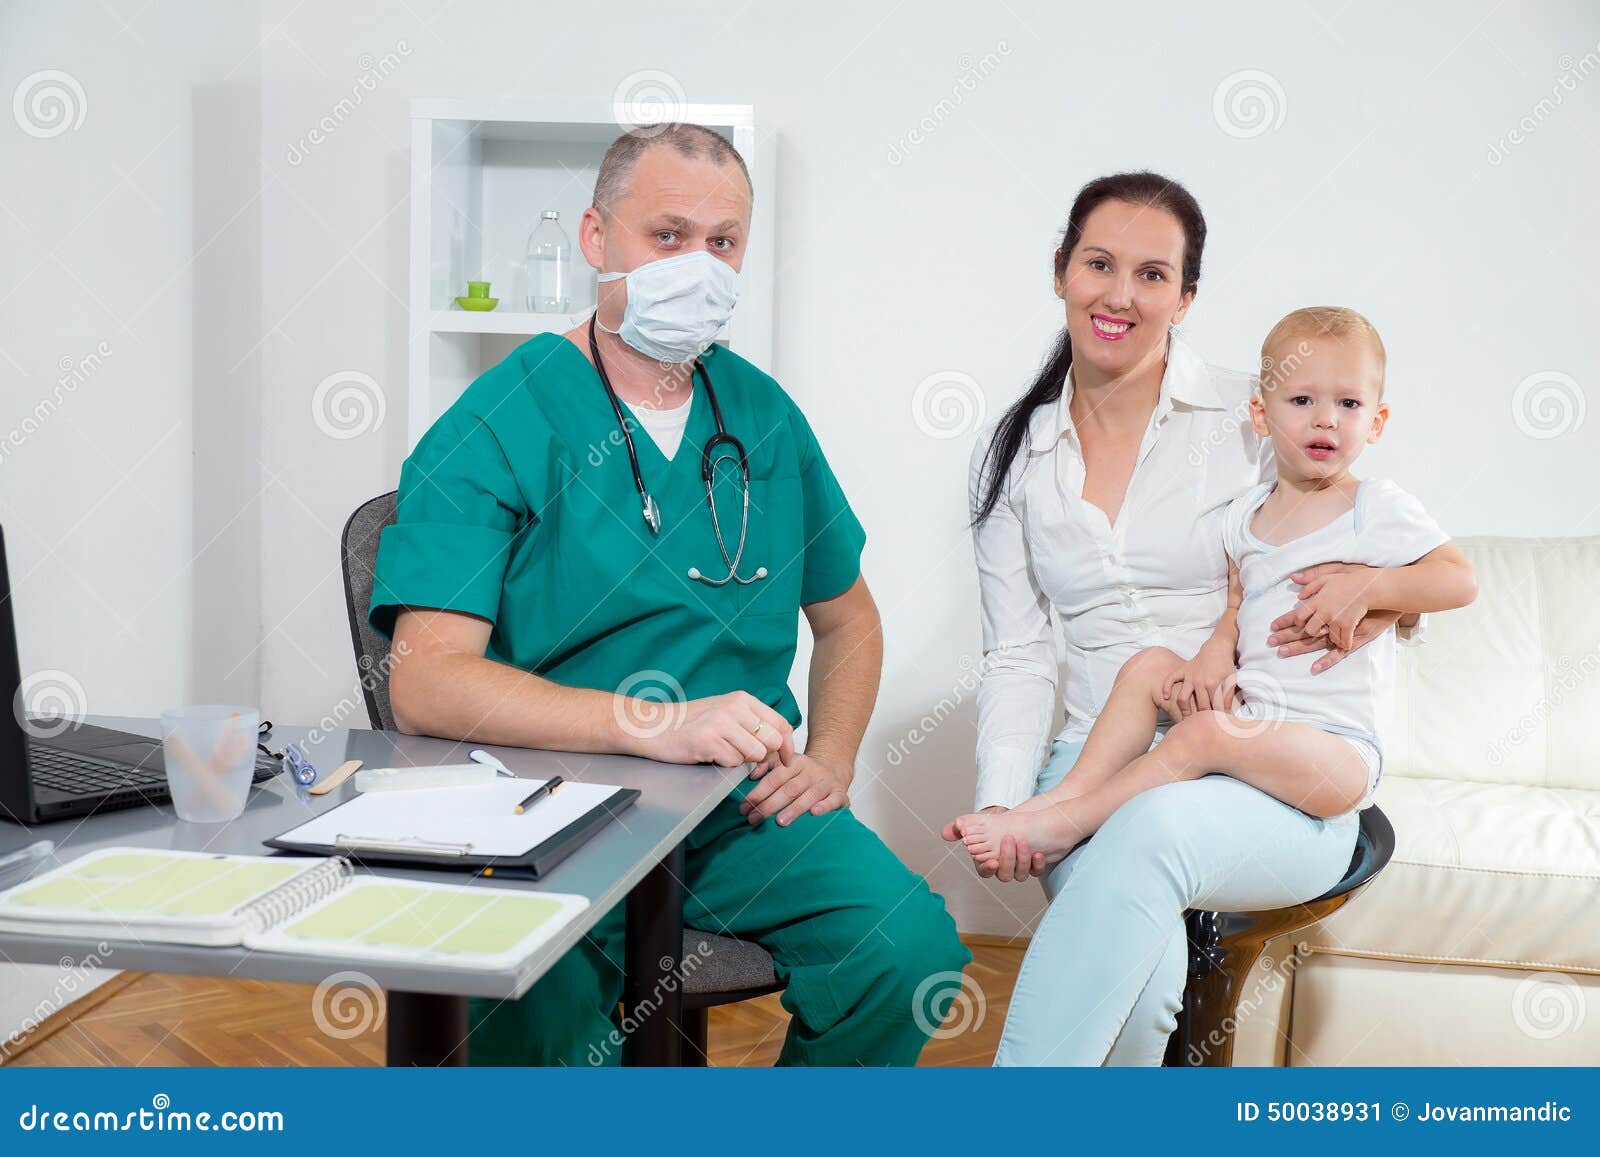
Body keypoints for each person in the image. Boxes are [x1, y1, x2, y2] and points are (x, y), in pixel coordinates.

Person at [367, 123, 967, 1066]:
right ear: (597, 238)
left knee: (905, 953)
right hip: (550, 809)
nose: (699, 265)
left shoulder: (761, 416)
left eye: (723, 242)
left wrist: (834, 755)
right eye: (668, 235)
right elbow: (426, 683)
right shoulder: (495, 420)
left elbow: (848, 618)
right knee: (560, 1040)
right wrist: (657, 725)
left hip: (738, 811)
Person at [954, 172, 1473, 1066]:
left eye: (1153, 275)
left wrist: (1367, 597)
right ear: (1061, 272)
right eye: (1100, 264)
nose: (1121, 295)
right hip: (1101, 755)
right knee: (1145, 981)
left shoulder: (1266, 414)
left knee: (1153, 831)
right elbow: (1018, 657)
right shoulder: (1015, 455)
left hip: (1257, 755)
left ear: (1186, 297)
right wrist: (1007, 804)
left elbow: (1372, 553)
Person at [946, 306, 1476, 866]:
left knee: (1204, 736)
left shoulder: (1375, 506)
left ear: (1376, 421)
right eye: (1302, 401)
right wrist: (1215, 654)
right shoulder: (1245, 514)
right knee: (1149, 664)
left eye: (1348, 404)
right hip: (1256, 717)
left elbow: (1458, 580)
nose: (1326, 420)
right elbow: (1234, 606)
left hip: (1336, 753)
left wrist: (1370, 590)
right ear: (1261, 414)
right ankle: (1054, 799)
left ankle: (1070, 824)